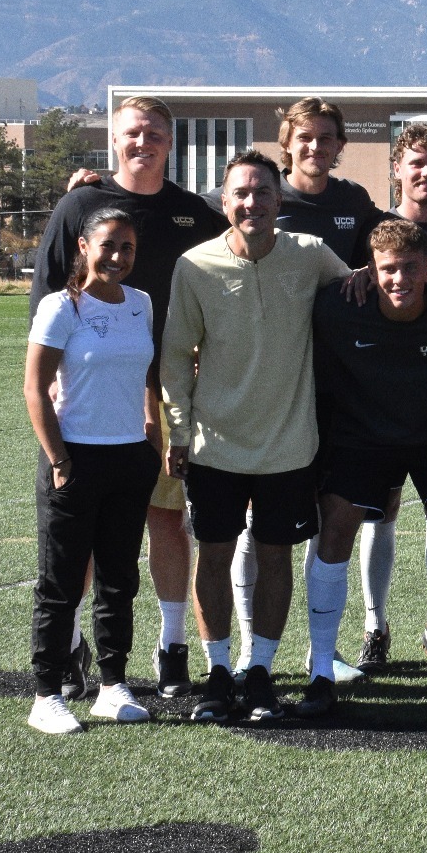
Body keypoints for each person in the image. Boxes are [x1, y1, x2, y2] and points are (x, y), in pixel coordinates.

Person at [29, 95, 227, 700]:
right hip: (88, 398)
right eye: (134, 132)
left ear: (172, 142)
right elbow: (46, 297)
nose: (144, 142)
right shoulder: (80, 204)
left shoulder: (196, 213)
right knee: (84, 535)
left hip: (167, 389)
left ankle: (171, 648)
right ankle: (66, 654)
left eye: (156, 134)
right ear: (114, 140)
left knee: (168, 519)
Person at [160, 151, 351, 724]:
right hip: (216, 445)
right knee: (213, 557)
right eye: (240, 193)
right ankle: (218, 672)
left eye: (262, 192)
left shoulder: (312, 256)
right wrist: (177, 431)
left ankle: (261, 670)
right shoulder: (194, 266)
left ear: (279, 200)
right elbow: (173, 358)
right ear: (225, 203)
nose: (251, 202)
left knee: (274, 560)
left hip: (290, 445)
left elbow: (366, 292)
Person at [306, 219, 427, 713]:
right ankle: (320, 671)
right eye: (387, 269)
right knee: (335, 531)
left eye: (411, 267)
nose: (399, 279)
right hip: (362, 437)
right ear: (370, 271)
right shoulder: (339, 307)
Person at [23, 209, 160, 734]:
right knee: (60, 584)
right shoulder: (62, 307)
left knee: (119, 580)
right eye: (108, 246)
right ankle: (47, 693)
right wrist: (59, 460)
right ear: (83, 246)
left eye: (127, 247)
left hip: (129, 460)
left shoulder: (141, 304)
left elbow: (147, 372)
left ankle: (112, 684)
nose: (118, 257)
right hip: (75, 457)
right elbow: (35, 388)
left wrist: (151, 432)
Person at [272, 96, 383, 262]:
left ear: (338, 146)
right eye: (305, 137)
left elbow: (396, 237)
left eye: (325, 138)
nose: (315, 147)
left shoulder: (353, 198)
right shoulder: (263, 194)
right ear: (287, 143)